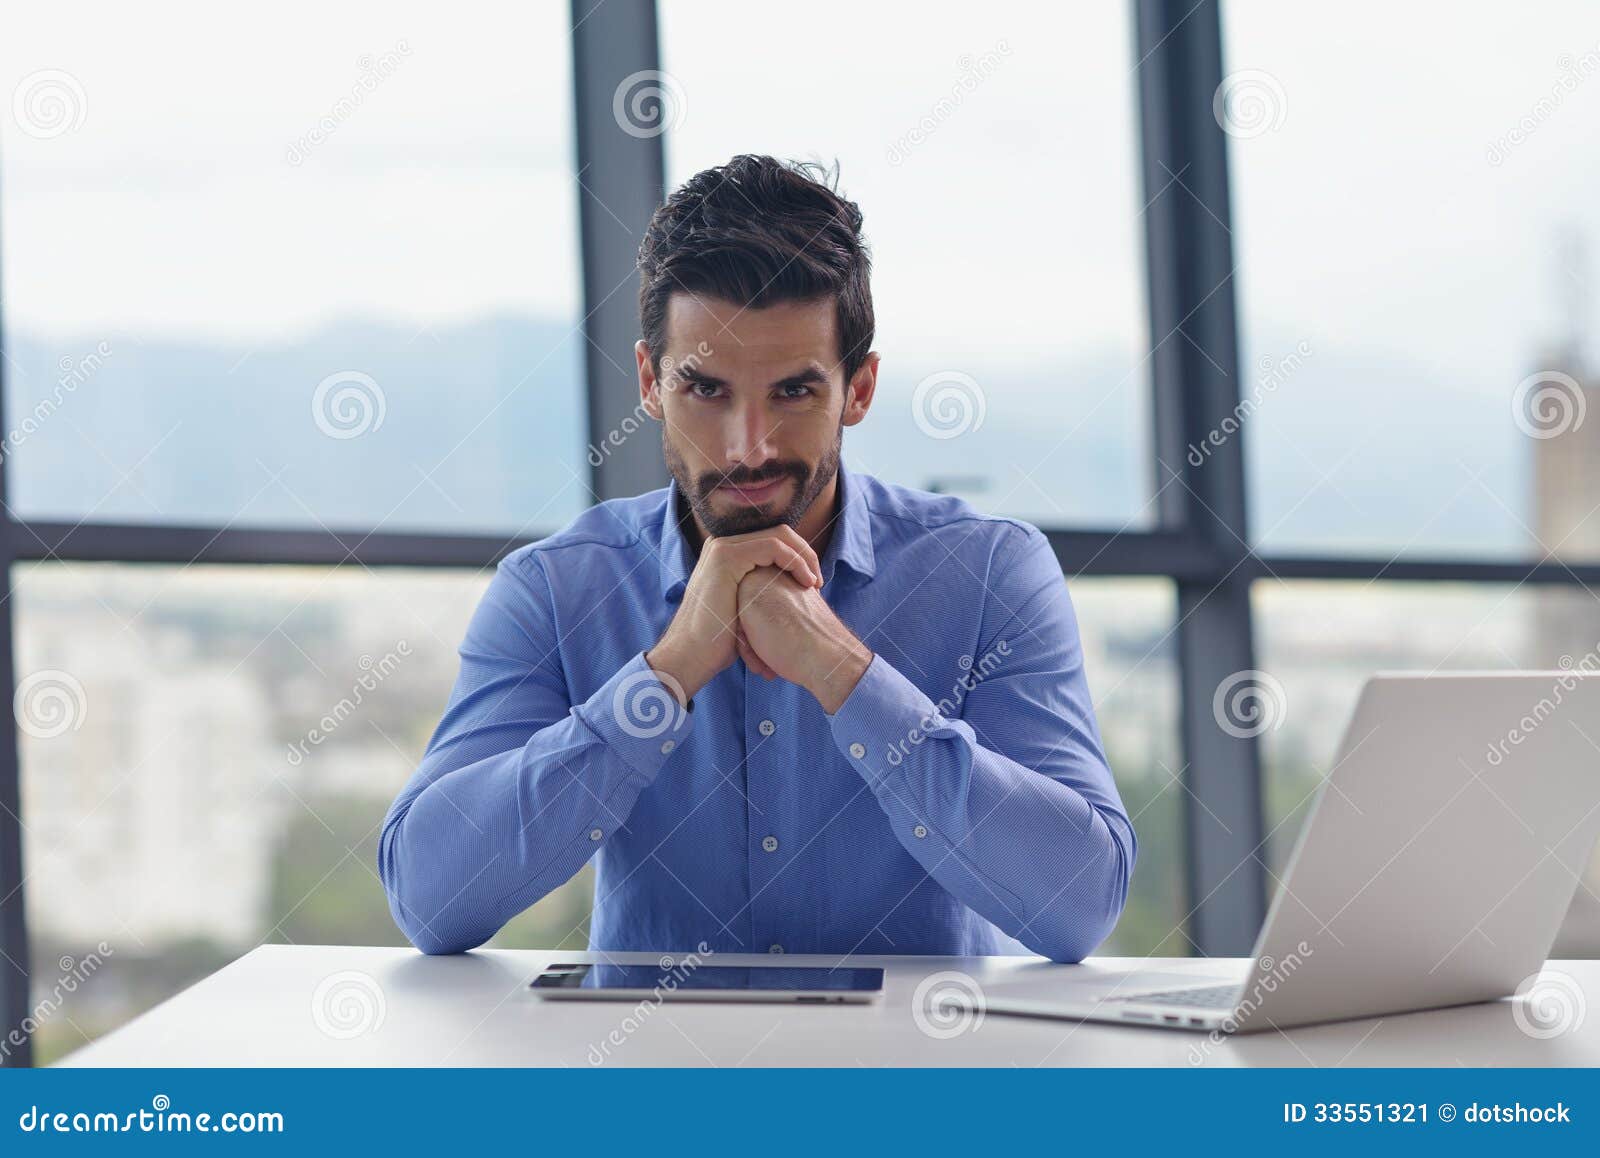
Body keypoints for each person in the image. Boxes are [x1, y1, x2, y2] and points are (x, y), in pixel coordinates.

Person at [378, 154, 1136, 962]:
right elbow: (431, 900)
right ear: (649, 382)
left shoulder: (991, 575)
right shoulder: (560, 586)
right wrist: (664, 675)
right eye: (706, 390)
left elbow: (1080, 906)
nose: (748, 448)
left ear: (860, 389)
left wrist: (843, 671)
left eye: (793, 392)